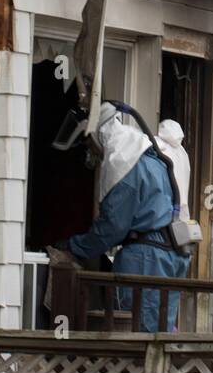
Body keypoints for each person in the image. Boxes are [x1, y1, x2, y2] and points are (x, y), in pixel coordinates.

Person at [56, 105, 189, 331]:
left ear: (99, 137)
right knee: (162, 330)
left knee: (140, 332)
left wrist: (73, 246)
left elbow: (111, 228)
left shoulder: (125, 162)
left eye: (89, 145)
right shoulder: (155, 153)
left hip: (147, 257)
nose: (92, 154)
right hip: (176, 250)